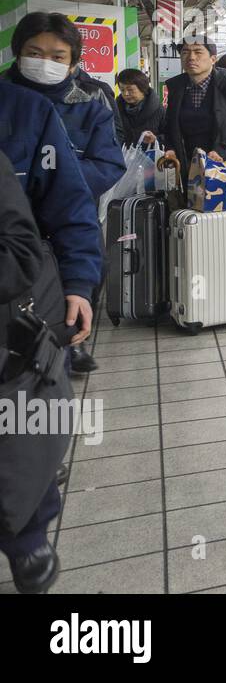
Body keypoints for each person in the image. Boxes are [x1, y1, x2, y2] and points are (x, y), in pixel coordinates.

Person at [0, 86, 101, 593]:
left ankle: (29, 536)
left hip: (22, 301)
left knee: (25, 418)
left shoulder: (28, 112)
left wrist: (79, 282)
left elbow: (70, 198)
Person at [8, 12, 126, 374]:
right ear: (17, 53)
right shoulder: (5, 100)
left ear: (74, 63)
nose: (45, 63)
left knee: (80, 272)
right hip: (11, 219)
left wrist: (58, 181)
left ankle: (72, 339)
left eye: (57, 56)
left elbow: (109, 163)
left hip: (70, 213)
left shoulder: (91, 102)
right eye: (35, 52)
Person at [159, 38, 226, 205]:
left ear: (213, 59)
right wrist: (171, 148)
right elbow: (169, 126)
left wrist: (222, 150)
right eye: (185, 52)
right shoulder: (177, 87)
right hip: (192, 171)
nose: (191, 57)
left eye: (198, 52)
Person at [115, 68, 165, 146]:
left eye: (130, 90)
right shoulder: (116, 109)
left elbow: (171, 136)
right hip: (122, 156)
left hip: (150, 156)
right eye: (122, 90)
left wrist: (156, 139)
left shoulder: (159, 110)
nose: (126, 94)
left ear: (142, 88)